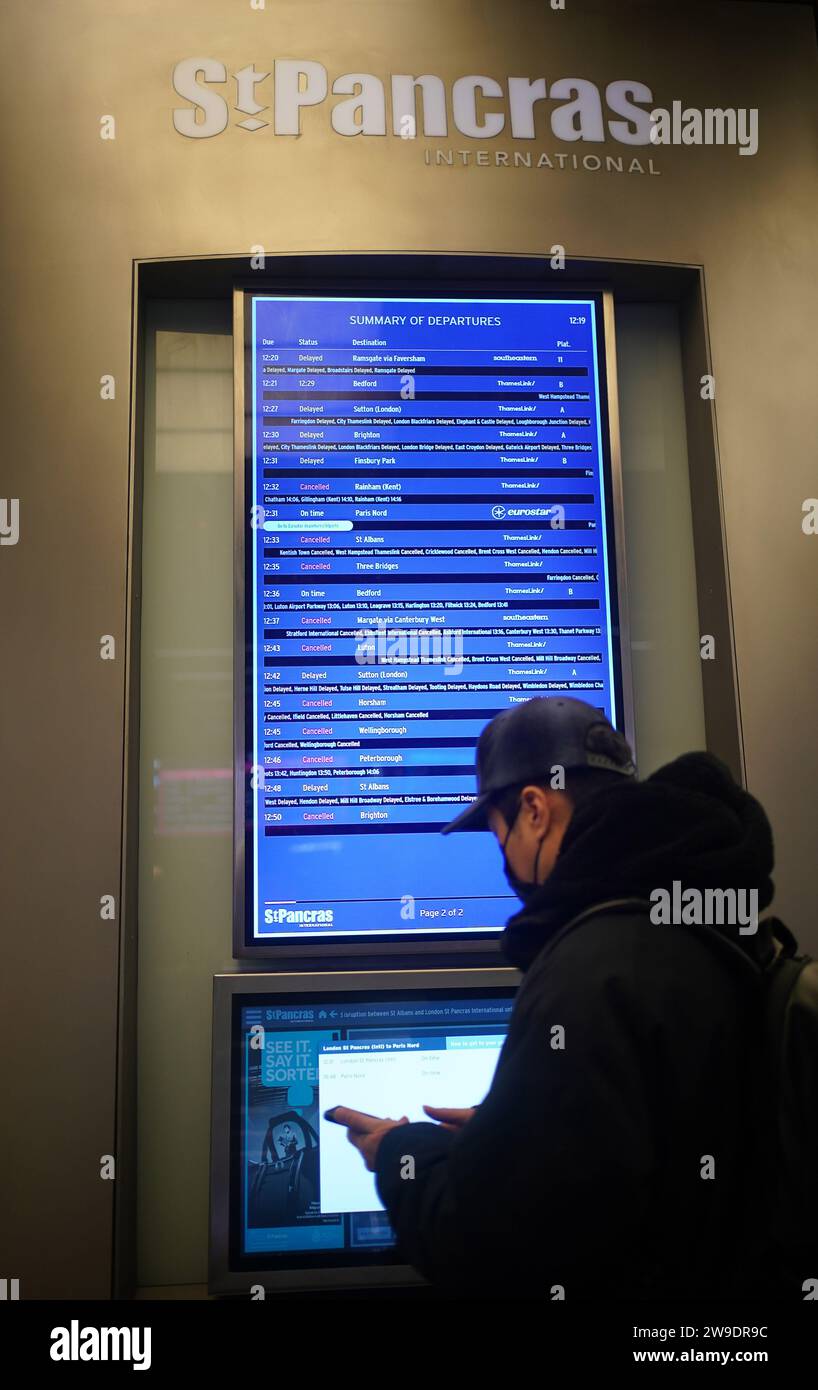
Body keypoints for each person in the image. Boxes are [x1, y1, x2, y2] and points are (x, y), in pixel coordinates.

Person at [332, 696, 782, 1299]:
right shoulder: (708, 918)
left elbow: (487, 1246)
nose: (506, 864)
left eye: (499, 839)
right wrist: (511, 1134)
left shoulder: (592, 966)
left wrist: (399, 1152)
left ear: (535, 810)